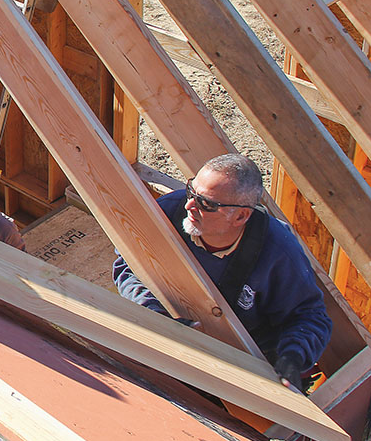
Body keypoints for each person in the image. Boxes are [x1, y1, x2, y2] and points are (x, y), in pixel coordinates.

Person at [112, 154, 331, 390]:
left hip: (250, 365)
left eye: (207, 204)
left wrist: (292, 358)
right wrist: (155, 315)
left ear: (240, 216)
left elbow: (309, 315)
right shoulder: (166, 214)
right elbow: (128, 266)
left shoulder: (278, 251)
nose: (190, 206)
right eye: (190, 192)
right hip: (176, 345)